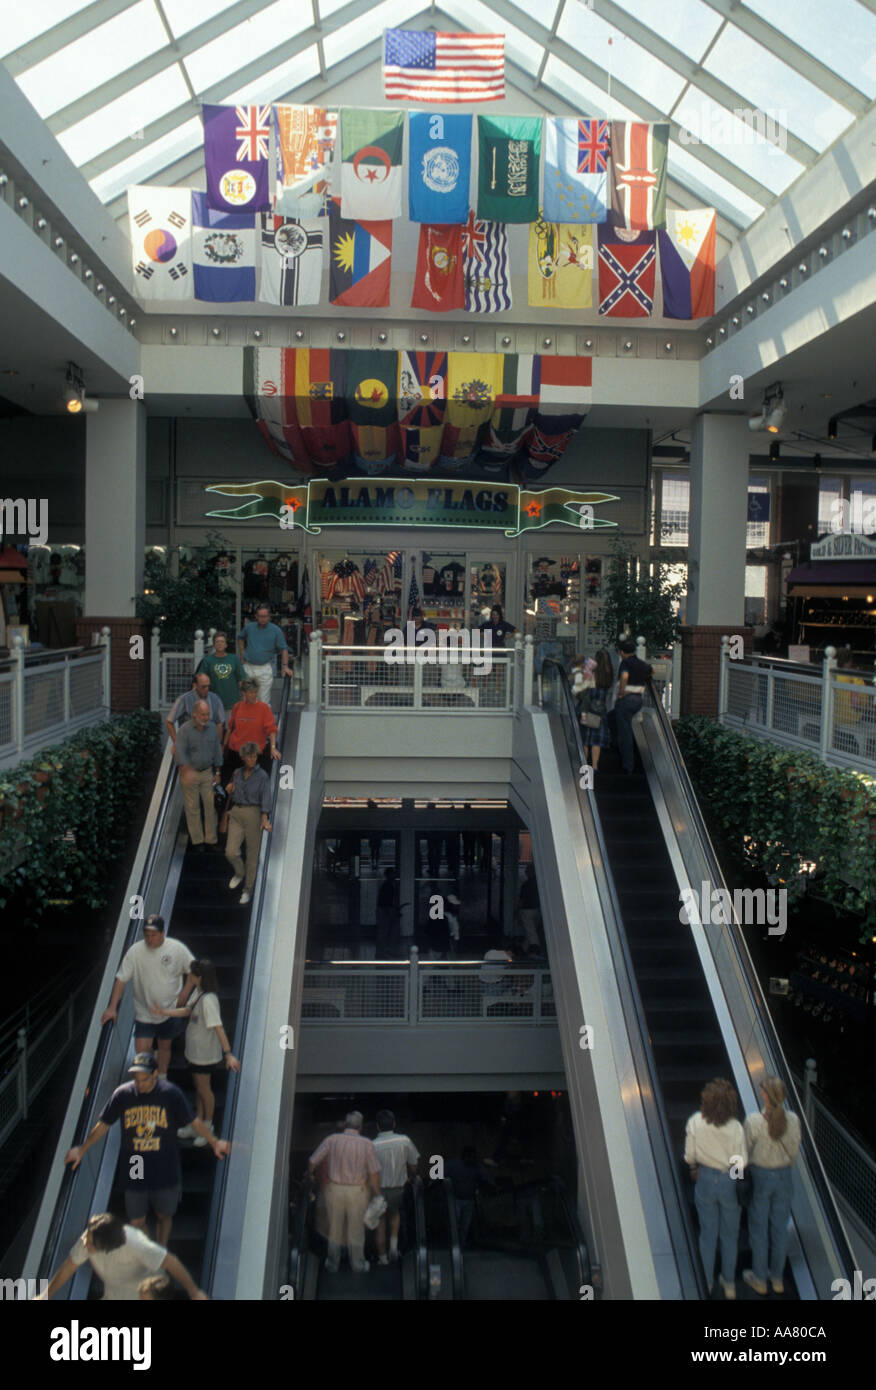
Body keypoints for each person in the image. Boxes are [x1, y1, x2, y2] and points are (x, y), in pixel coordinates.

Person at [64, 1052, 229, 1247]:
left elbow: (193, 1121)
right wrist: (82, 1150)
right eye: (136, 1079)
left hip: (164, 1163)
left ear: (155, 1074)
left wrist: (214, 1141)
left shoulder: (170, 1094)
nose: (140, 1084)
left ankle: (161, 1250)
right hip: (137, 1163)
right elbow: (104, 1125)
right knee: (136, 1219)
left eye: (144, 1079)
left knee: (163, 1214)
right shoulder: (123, 1095)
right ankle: (150, 1251)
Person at [151, 958, 241, 1149]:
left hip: (205, 1054)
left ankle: (208, 1127)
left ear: (199, 977)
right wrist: (165, 1012)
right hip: (194, 1052)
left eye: (191, 974)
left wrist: (228, 1054)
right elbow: (186, 1011)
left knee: (204, 1089)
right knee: (199, 1088)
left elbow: (219, 1028)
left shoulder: (209, 1000)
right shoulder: (198, 993)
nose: (188, 976)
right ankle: (198, 1125)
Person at [101, 915, 195, 1080]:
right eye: (147, 935)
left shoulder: (176, 949)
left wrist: (184, 994)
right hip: (144, 1012)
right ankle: (148, 1076)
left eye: (153, 935)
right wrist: (111, 1008)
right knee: (142, 1050)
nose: (149, 939)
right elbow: (121, 979)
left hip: (169, 1010)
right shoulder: (135, 951)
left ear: (162, 933)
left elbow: (195, 971)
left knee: (165, 1046)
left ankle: (162, 1078)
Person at [35, 1212, 207, 1301]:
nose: (85, 1244)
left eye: (91, 1244)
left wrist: (194, 1292)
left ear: (107, 1247)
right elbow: (69, 1266)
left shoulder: (135, 1243)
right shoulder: (90, 1237)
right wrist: (45, 1295)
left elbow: (171, 1262)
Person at [684, 1078, 747, 1299]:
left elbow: (690, 1155)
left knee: (707, 1236)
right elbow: (740, 1161)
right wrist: (733, 1180)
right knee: (730, 1236)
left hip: (706, 1178)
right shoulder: (736, 1128)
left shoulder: (696, 1122)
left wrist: (694, 1170)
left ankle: (707, 1282)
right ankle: (729, 1284)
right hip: (728, 1180)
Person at [742, 1077, 802, 1296]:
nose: (760, 1091)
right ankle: (776, 1279)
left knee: (759, 1230)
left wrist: (733, 1174)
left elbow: (744, 1152)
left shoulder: (754, 1120)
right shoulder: (793, 1120)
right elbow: (794, 1151)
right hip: (785, 1177)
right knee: (779, 1230)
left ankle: (759, 1278)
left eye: (763, 1089)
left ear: (766, 1095)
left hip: (761, 1178)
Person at [307, 1110, 381, 1275]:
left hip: (335, 1189)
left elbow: (312, 1161)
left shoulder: (331, 1140)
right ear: (360, 1126)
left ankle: (333, 1264)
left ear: (346, 1124)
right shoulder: (367, 1144)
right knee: (356, 1230)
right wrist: (377, 1194)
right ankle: (358, 1266)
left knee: (334, 1229)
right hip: (358, 1191)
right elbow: (374, 1173)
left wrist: (310, 1176)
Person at [222, 741, 273, 905]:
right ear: (243, 757)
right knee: (230, 851)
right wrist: (228, 788)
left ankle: (247, 890)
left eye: (254, 756)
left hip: (253, 813)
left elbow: (266, 797)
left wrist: (264, 818)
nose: (251, 759)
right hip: (236, 812)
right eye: (248, 757)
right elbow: (230, 790)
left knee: (252, 855)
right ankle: (239, 872)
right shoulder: (237, 773)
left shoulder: (263, 776)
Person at [372, 1109, 419, 1266]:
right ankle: (393, 1247)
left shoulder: (372, 1145)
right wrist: (411, 1178)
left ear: (377, 1127)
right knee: (395, 1215)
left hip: (378, 1190)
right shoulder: (404, 1141)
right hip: (398, 1189)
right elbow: (413, 1166)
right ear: (394, 1124)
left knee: (380, 1223)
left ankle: (383, 1258)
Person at [174, 699, 223, 850]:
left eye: (208, 714)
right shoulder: (184, 730)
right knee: (192, 808)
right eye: (202, 714)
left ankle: (211, 839)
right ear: (194, 715)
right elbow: (179, 752)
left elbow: (217, 750)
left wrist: (218, 772)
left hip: (208, 773)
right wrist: (185, 771)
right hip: (190, 773)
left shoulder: (213, 728)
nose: (206, 717)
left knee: (210, 806)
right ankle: (197, 841)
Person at [223, 678, 280, 778]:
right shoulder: (237, 707)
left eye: (255, 692)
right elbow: (230, 728)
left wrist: (273, 748)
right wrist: (224, 747)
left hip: (254, 755)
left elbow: (272, 730)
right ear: (243, 693)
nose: (253, 695)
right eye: (250, 692)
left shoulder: (264, 708)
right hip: (236, 753)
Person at [237, 603, 290, 707]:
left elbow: (284, 648)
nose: (262, 619)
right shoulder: (249, 627)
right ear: (256, 617)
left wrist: (285, 666)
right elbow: (240, 638)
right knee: (246, 699)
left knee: (263, 700)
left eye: (265, 616)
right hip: (248, 666)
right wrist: (242, 653)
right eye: (260, 616)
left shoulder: (276, 630)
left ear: (269, 617)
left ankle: (262, 722)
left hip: (264, 668)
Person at [614, 639, 652, 774]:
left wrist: (621, 692)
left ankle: (627, 764)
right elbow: (650, 671)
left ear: (623, 652)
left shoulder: (625, 663)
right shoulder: (642, 664)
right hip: (638, 700)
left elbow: (624, 676)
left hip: (626, 699)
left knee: (624, 731)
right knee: (627, 725)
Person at [445, 1147, 495, 1247]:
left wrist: (492, 1185)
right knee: (455, 1223)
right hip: (456, 1199)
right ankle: (454, 1244)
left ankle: (461, 1244)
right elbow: (439, 1174)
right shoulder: (453, 1165)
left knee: (465, 1225)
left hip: (469, 1199)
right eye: (470, 1158)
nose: (472, 1160)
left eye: (473, 1158)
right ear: (464, 1157)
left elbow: (486, 1176)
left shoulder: (476, 1165)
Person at [164, 671, 225, 747]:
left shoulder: (215, 699)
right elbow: (169, 721)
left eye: (208, 686)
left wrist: (218, 745)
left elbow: (220, 723)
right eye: (203, 687)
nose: (206, 689)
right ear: (195, 685)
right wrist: (177, 744)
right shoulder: (184, 699)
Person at [579, 649, 614, 773]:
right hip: (600, 709)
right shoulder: (609, 673)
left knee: (586, 737)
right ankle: (595, 766)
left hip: (588, 708)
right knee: (597, 739)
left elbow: (582, 684)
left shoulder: (592, 672)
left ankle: (584, 763)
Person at [196, 631, 247, 712]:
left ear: (226, 644)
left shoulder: (234, 659)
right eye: (217, 642)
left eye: (222, 641)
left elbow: (242, 680)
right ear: (214, 644)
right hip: (212, 703)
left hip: (232, 704)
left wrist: (245, 697)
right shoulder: (207, 660)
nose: (220, 644)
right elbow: (200, 680)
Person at [516, 864, 543, 957]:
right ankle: (524, 948)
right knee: (532, 931)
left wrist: (517, 911)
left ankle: (535, 950)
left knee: (531, 932)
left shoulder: (526, 885)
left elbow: (522, 900)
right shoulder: (539, 883)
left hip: (527, 910)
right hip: (537, 909)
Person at [375, 868, 401, 957]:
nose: (394, 876)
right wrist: (390, 912)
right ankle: (382, 952)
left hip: (385, 910)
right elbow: (386, 902)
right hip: (385, 911)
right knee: (384, 932)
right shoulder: (388, 886)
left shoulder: (387, 885)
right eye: (393, 874)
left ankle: (383, 951)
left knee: (384, 932)